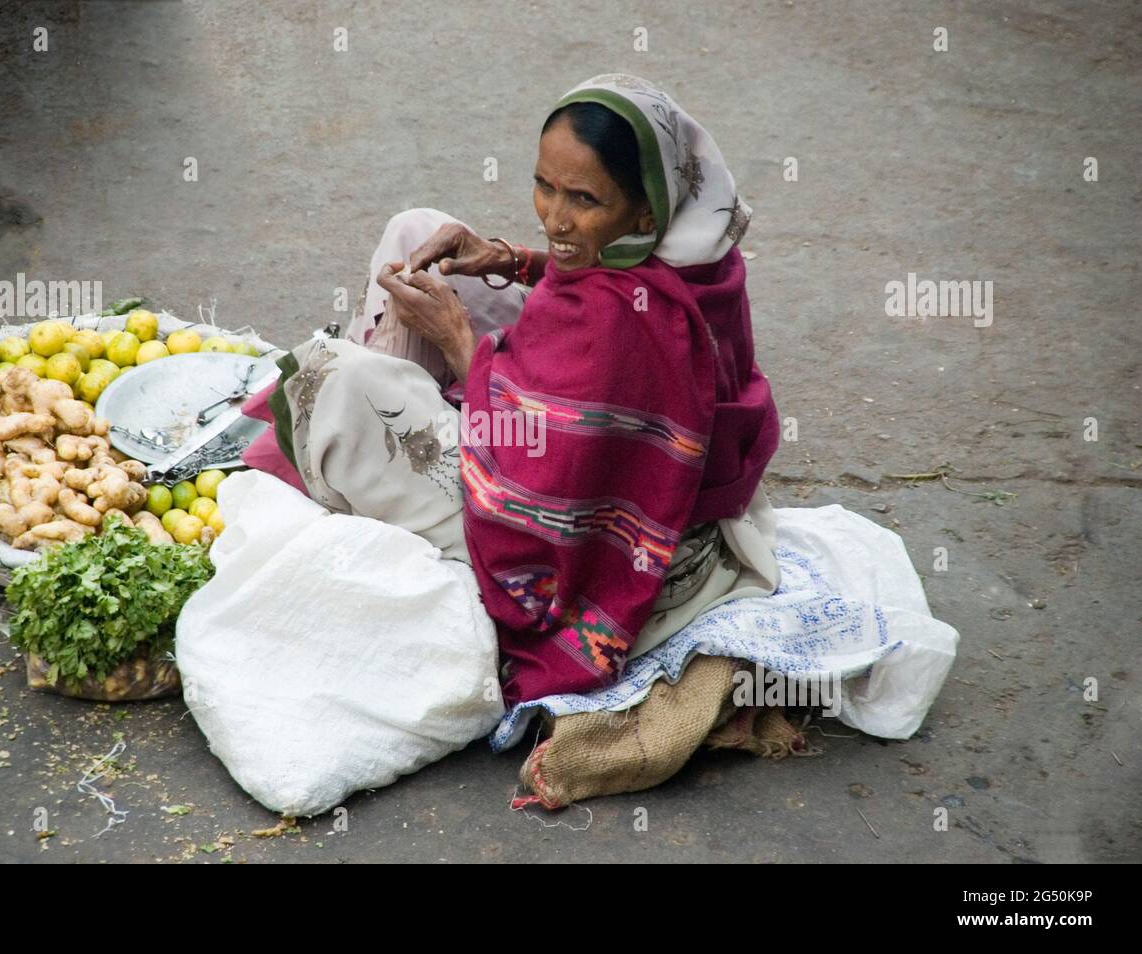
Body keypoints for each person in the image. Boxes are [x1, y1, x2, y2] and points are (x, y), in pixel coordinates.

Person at [259, 73, 781, 708]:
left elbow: (541, 454)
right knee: (417, 230)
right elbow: (585, 284)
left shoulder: (632, 324)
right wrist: (508, 259)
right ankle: (377, 466)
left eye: (583, 200)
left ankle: (376, 484)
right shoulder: (690, 246)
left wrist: (455, 338)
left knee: (335, 380)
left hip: (578, 539)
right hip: (572, 442)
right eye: (544, 186)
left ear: (645, 208)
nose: (556, 218)